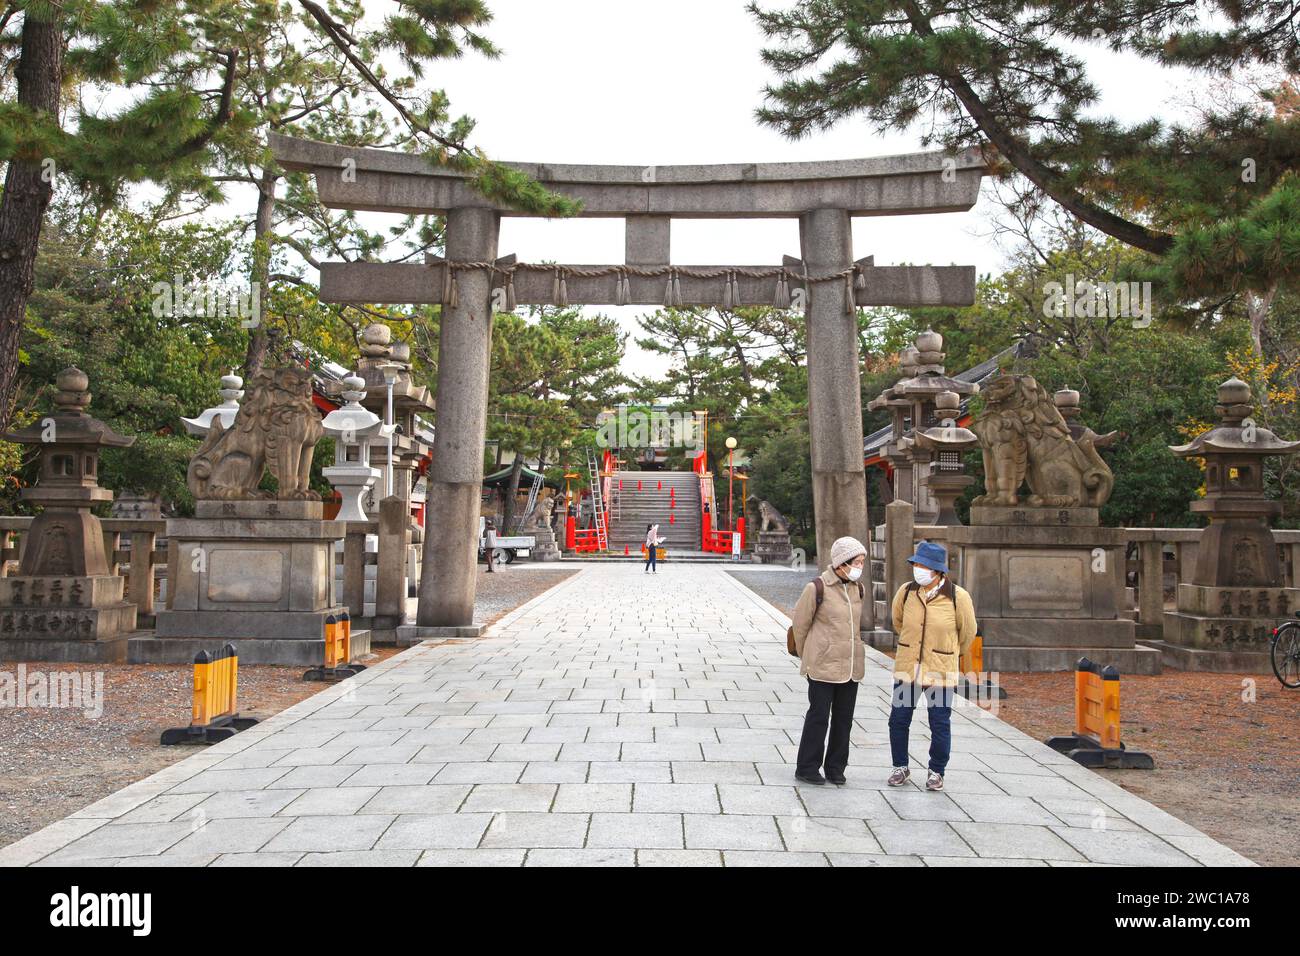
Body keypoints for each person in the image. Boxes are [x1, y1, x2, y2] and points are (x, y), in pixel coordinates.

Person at [887, 540, 976, 792]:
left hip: (940, 668)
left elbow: (968, 633)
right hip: (908, 667)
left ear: (937, 570)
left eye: (922, 564)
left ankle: (937, 770)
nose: (917, 568)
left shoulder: (958, 597)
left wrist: (949, 653)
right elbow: (898, 622)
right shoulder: (906, 592)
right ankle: (900, 766)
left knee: (939, 722)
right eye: (915, 564)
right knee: (899, 719)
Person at [790, 536, 867, 786]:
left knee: (844, 719)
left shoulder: (859, 589)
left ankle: (836, 767)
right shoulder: (817, 588)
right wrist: (810, 655)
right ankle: (807, 766)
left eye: (862, 562)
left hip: (851, 665)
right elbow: (800, 626)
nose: (860, 566)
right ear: (842, 562)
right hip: (822, 666)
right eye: (856, 561)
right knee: (819, 716)